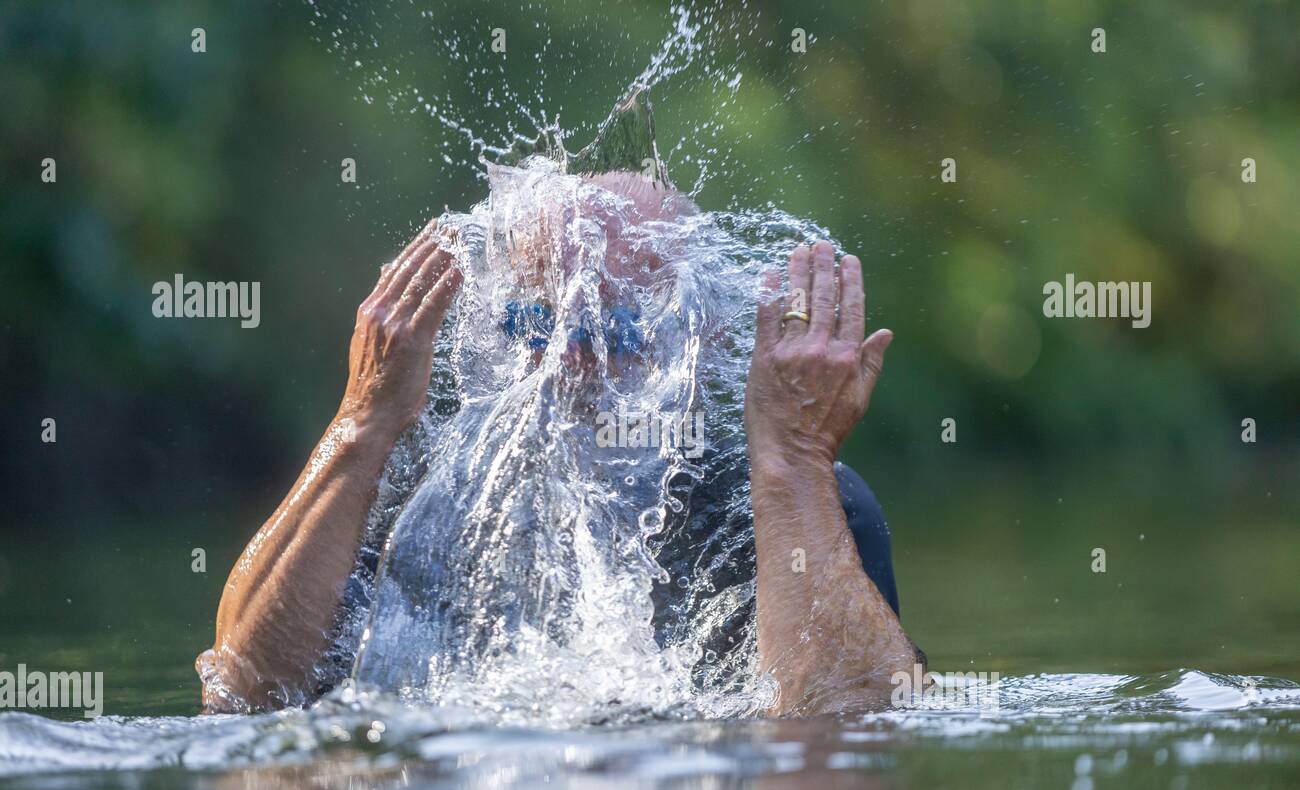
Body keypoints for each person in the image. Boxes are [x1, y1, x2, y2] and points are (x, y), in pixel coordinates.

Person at [197, 178, 926, 717]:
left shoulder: (774, 511)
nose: (572, 363)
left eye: (615, 330)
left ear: (701, 344)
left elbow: (851, 723)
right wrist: (360, 424)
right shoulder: (418, 500)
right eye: (538, 325)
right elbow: (240, 689)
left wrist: (793, 459)